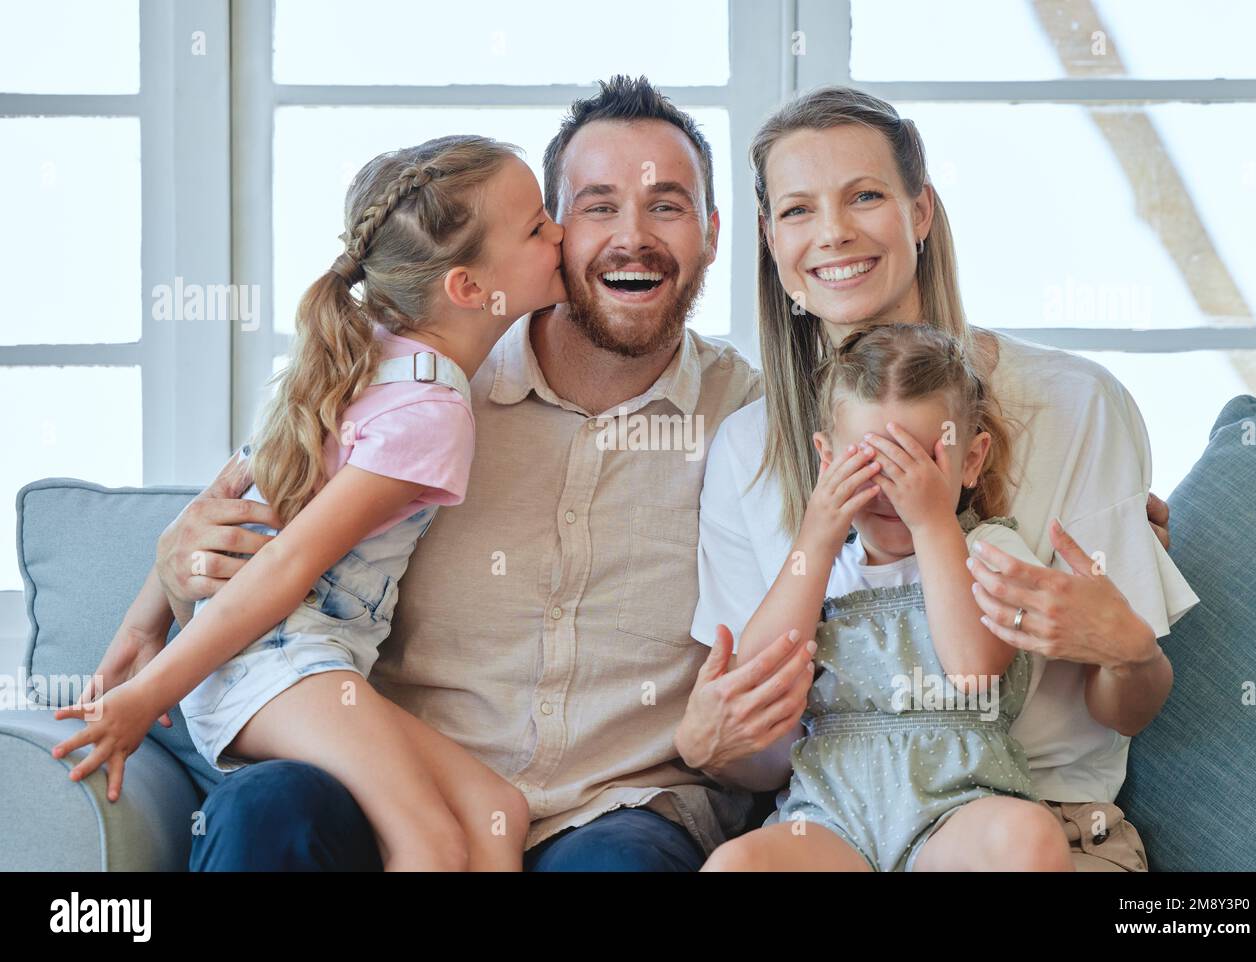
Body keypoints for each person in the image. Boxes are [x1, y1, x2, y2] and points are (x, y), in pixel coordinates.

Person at [111, 76, 790, 871]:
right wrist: (175, 562)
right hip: (402, 778)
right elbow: (272, 483)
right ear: (556, 234)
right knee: (269, 811)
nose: (631, 236)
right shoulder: (428, 385)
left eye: (667, 206)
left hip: (622, 803)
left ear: (712, 233)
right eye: (598, 206)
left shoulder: (750, 418)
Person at [684, 86, 1199, 871]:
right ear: (768, 239)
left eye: (865, 195)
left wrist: (1129, 653)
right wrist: (712, 744)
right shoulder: (747, 448)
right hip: (836, 813)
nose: (833, 232)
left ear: (920, 212)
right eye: (796, 211)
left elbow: (1119, 710)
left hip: (1037, 819)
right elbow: (754, 750)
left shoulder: (1079, 402)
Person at [54, 135, 567, 871]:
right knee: (430, 842)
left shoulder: (372, 348)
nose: (561, 233)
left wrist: (144, 626)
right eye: (538, 226)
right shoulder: (431, 411)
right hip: (273, 659)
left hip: (294, 659)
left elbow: (233, 484)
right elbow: (285, 565)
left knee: (499, 812)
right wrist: (146, 695)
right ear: (466, 288)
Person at [703, 323, 1073, 871]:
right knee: (737, 864)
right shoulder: (821, 569)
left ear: (971, 461)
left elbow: (974, 670)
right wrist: (818, 536)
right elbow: (756, 679)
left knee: (1029, 836)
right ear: (828, 460)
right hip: (832, 817)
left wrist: (931, 525)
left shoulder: (990, 549)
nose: (893, 489)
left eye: (918, 463)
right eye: (869, 463)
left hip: (957, 808)